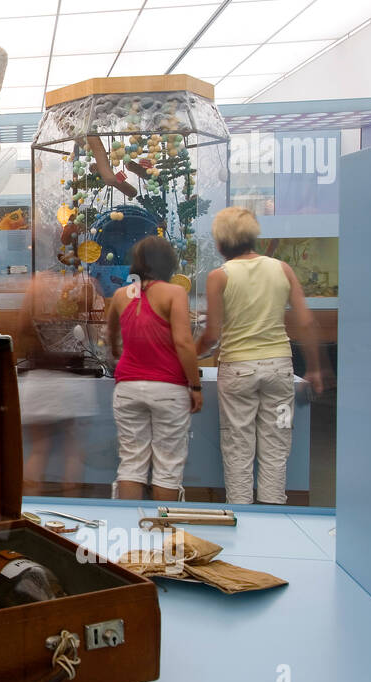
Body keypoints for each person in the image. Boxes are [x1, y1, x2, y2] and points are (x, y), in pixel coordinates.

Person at [196, 207, 323, 504]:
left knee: (238, 448)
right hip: (279, 370)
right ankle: (273, 518)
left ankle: (242, 519)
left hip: (238, 372)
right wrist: (314, 368)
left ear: (220, 243)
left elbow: (212, 336)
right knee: (276, 447)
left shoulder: (219, 277)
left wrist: (187, 356)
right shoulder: (283, 269)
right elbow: (306, 321)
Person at [105, 236, 202, 501]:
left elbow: (110, 336)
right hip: (168, 388)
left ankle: (127, 530)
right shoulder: (174, 293)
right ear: (168, 263)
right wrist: (195, 385)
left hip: (127, 388)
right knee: (167, 466)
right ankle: (163, 533)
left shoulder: (120, 295)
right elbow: (183, 342)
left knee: (131, 464)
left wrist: (117, 352)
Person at [17, 269, 103, 495]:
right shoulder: (87, 284)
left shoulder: (36, 285)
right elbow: (95, 329)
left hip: (40, 377)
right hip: (74, 379)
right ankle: (72, 516)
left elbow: (22, 328)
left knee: (38, 450)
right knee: (73, 452)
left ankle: (30, 515)